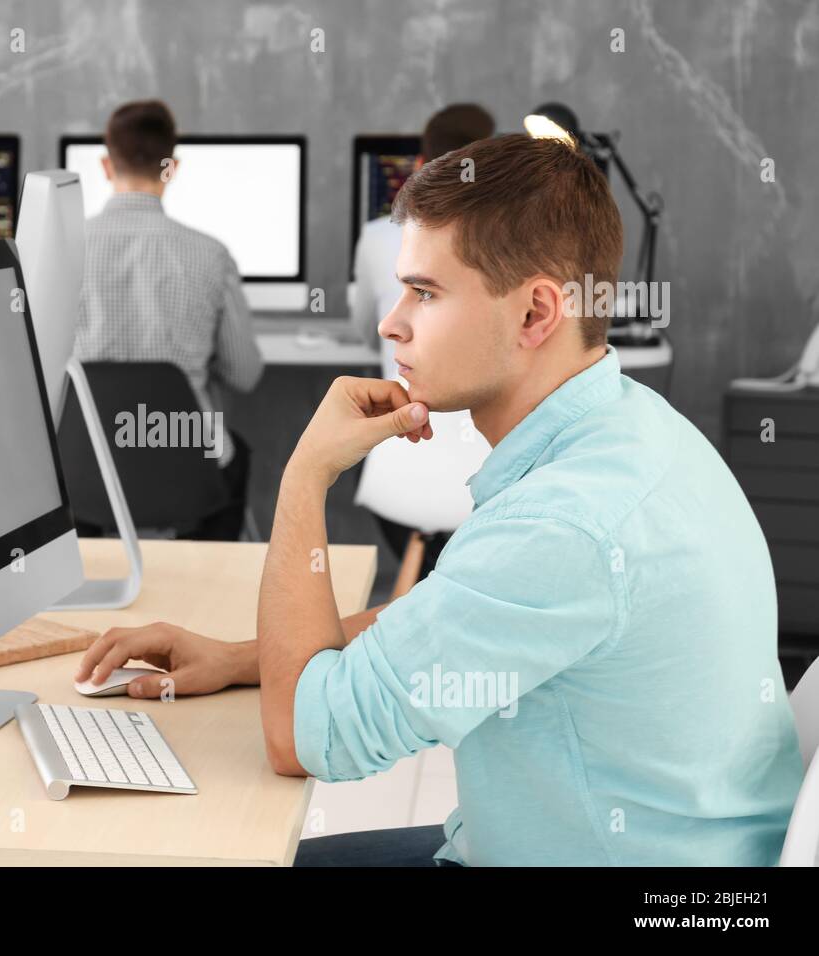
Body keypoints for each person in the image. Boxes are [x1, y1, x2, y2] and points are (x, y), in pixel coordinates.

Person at [76, 134, 804, 866]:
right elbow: (456, 611)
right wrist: (245, 658)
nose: (392, 323)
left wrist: (305, 476)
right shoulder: (633, 428)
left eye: (425, 293)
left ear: (534, 314)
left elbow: (303, 738)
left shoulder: (562, 525)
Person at [74, 99, 262, 540]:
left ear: (105, 165)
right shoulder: (210, 255)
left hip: (83, 465)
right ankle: (205, 586)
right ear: (170, 168)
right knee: (236, 455)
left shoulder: (60, 247)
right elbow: (246, 375)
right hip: (182, 453)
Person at [351, 103, 495, 581]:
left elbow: (359, 332)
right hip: (491, 484)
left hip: (398, 479)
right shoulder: (507, 249)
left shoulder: (376, 238)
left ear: (420, 167)